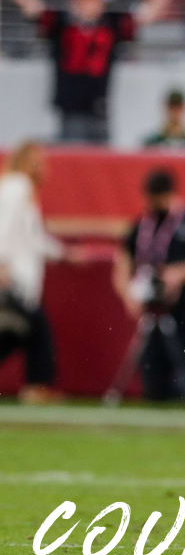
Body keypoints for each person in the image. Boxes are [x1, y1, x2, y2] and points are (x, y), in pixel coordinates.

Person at [112, 168, 185, 403]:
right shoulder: (142, 226)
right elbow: (121, 266)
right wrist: (128, 295)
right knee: (154, 384)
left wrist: (179, 274)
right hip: (155, 311)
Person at [10, 0, 173, 144]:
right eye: (82, 0)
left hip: (100, 111)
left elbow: (149, 13)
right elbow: (30, 6)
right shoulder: (60, 23)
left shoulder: (111, 24)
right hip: (71, 113)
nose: (87, 5)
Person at [0, 141, 69, 403]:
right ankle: (37, 386)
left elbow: (35, 238)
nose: (43, 167)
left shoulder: (20, 190)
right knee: (38, 329)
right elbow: (3, 226)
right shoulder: (17, 186)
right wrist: (2, 264)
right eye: (37, 160)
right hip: (12, 275)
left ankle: (37, 386)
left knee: (16, 333)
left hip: (21, 277)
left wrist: (65, 254)